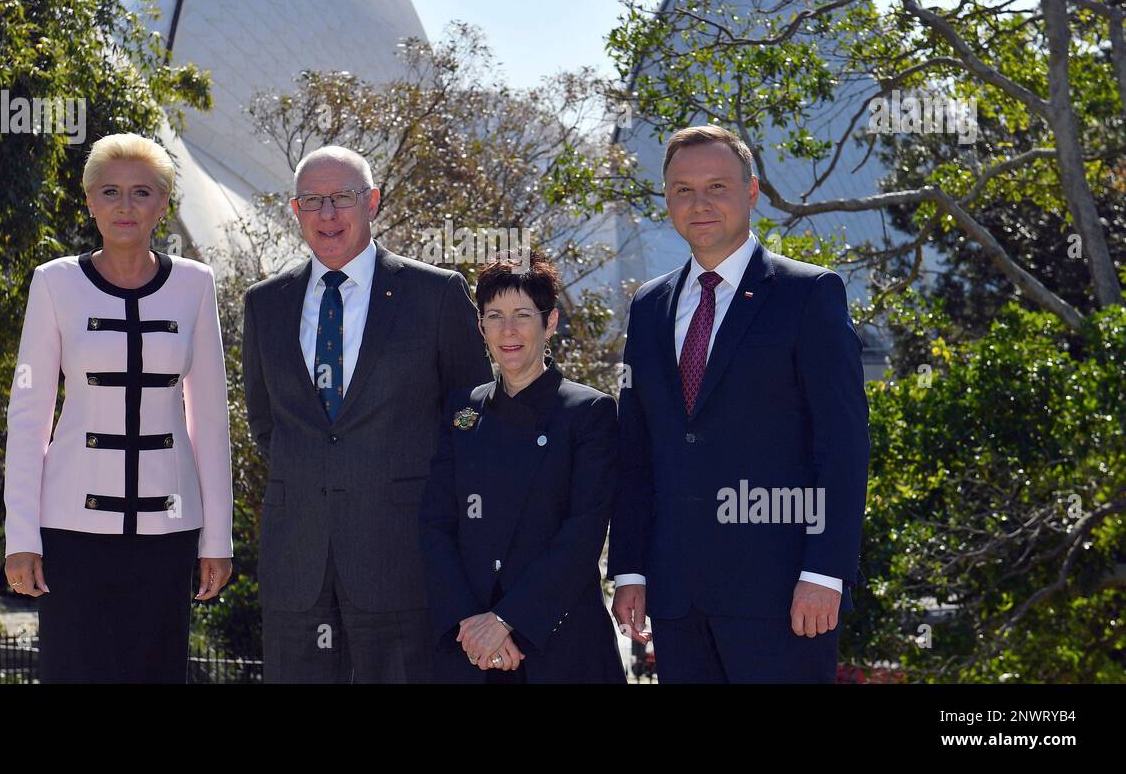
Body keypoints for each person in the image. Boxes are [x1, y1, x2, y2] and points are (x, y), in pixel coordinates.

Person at [609, 125, 870, 683]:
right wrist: (629, 567)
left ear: (751, 192)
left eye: (717, 186)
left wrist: (826, 573)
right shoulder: (649, 306)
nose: (698, 203)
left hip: (785, 596)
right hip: (677, 600)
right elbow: (636, 452)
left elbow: (842, 446)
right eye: (682, 189)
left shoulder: (809, 295)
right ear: (666, 200)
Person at [241, 146, 490, 683]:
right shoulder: (265, 303)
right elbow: (266, 422)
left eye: (343, 199)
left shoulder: (436, 295)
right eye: (313, 201)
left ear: (372, 202)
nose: (328, 215)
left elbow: (472, 413)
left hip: (401, 557)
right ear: (295, 210)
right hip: (297, 562)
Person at [4, 132, 233, 683]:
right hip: (71, 530)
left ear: (163, 202)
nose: (125, 206)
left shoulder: (195, 285)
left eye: (141, 192)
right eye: (110, 191)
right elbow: (29, 415)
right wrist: (21, 537)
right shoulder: (54, 282)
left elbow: (211, 418)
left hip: (168, 531)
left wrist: (217, 538)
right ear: (89, 201)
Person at [419, 250, 625, 683]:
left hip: (559, 643)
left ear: (549, 323)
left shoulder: (588, 411)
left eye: (522, 315)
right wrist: (472, 624)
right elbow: (436, 525)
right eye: (494, 316)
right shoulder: (462, 409)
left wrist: (505, 621)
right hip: (470, 648)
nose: (508, 331)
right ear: (480, 327)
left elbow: (583, 535)